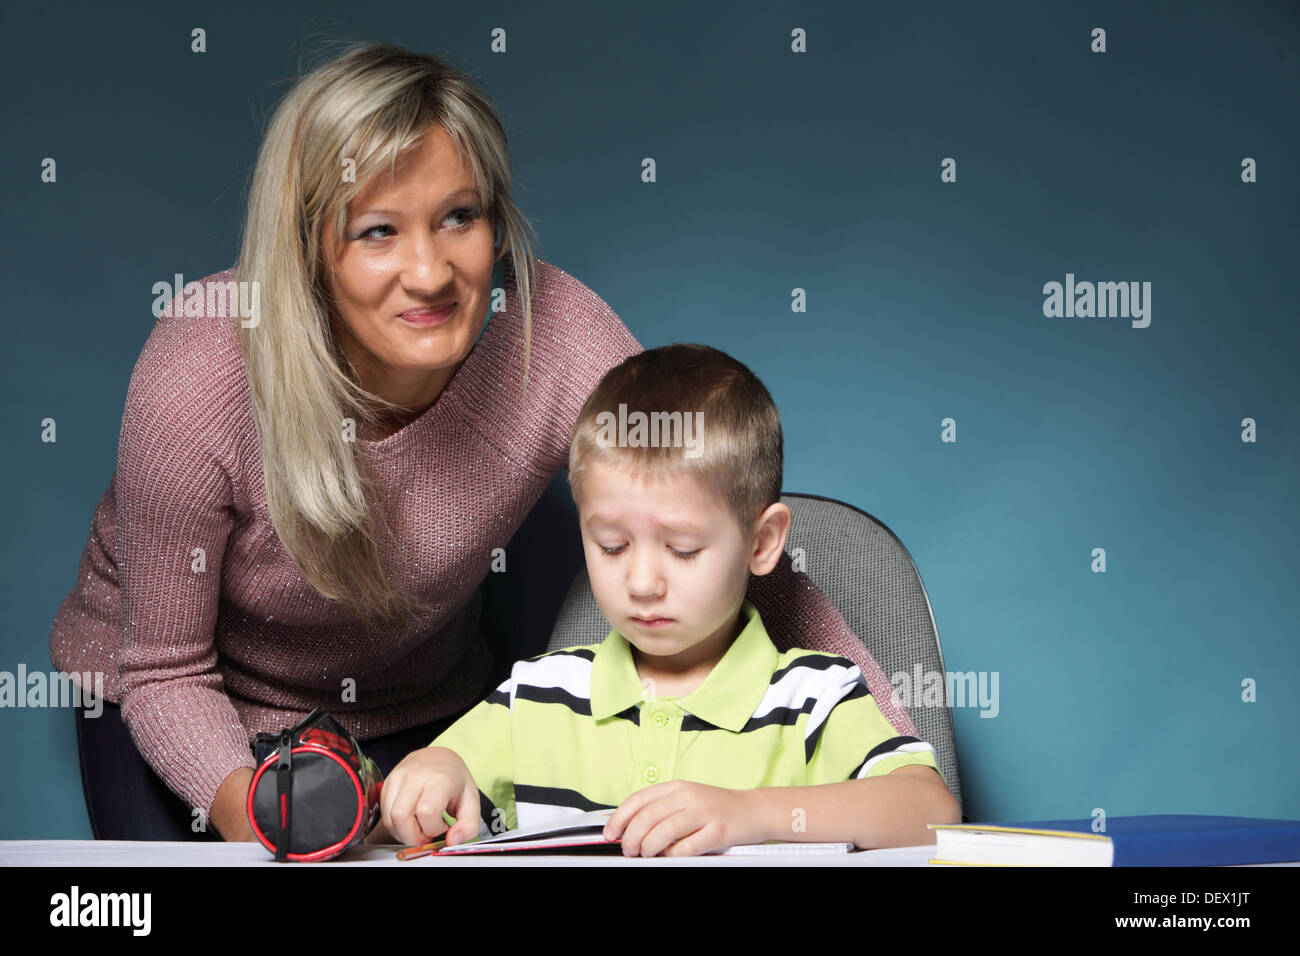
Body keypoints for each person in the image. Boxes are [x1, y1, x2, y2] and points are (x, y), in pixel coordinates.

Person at [49, 42, 930, 844]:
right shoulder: (196, 373)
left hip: (423, 709)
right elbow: (164, 669)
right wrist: (274, 822)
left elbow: (705, 508)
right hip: (176, 702)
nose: (430, 273)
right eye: (377, 230)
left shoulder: (553, 335)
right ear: (307, 248)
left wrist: (896, 745)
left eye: (459, 218)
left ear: (497, 223)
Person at [380, 345, 959, 855]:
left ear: (761, 543)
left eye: (682, 549)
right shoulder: (536, 696)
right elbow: (422, 810)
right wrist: (433, 773)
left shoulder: (813, 697)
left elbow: (931, 812)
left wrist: (749, 814)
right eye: (611, 545)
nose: (642, 582)